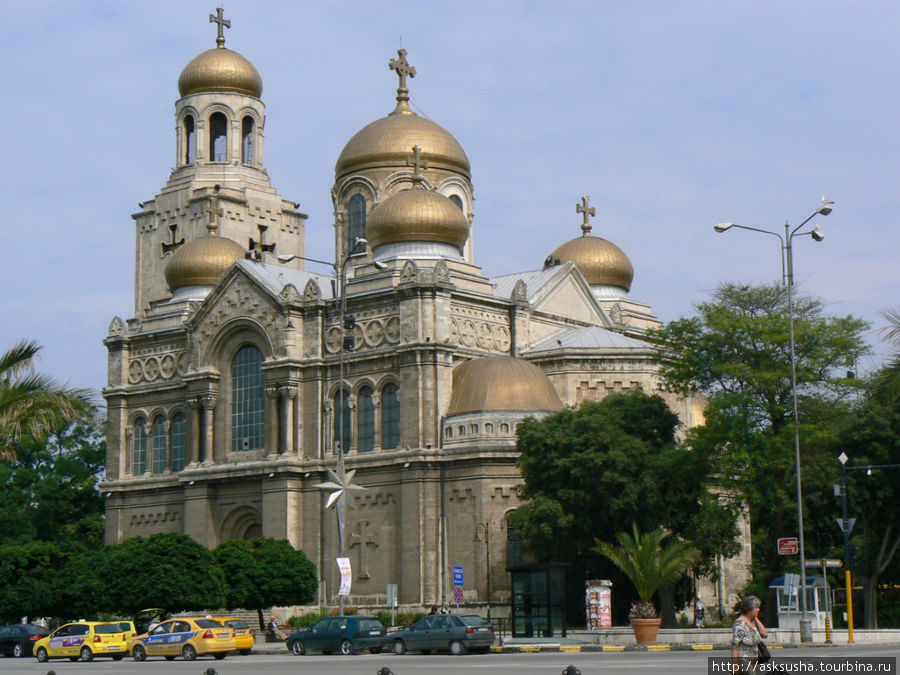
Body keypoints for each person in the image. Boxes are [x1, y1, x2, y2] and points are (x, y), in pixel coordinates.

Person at [731, 595, 767, 672]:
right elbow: (735, 645)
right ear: (749, 609)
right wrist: (735, 664)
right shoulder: (740, 623)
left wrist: (755, 618)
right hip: (744, 662)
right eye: (756, 608)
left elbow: (764, 634)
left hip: (753, 662)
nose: (758, 609)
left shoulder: (752, 621)